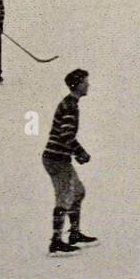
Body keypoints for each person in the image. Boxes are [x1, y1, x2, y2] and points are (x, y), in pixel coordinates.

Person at [42, 68, 97, 254]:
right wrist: (80, 153)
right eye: (85, 82)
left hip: (60, 157)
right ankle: (56, 242)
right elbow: (66, 134)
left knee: (78, 192)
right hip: (56, 159)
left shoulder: (72, 103)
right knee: (64, 197)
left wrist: (75, 153)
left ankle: (74, 233)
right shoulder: (69, 106)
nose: (88, 85)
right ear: (77, 85)